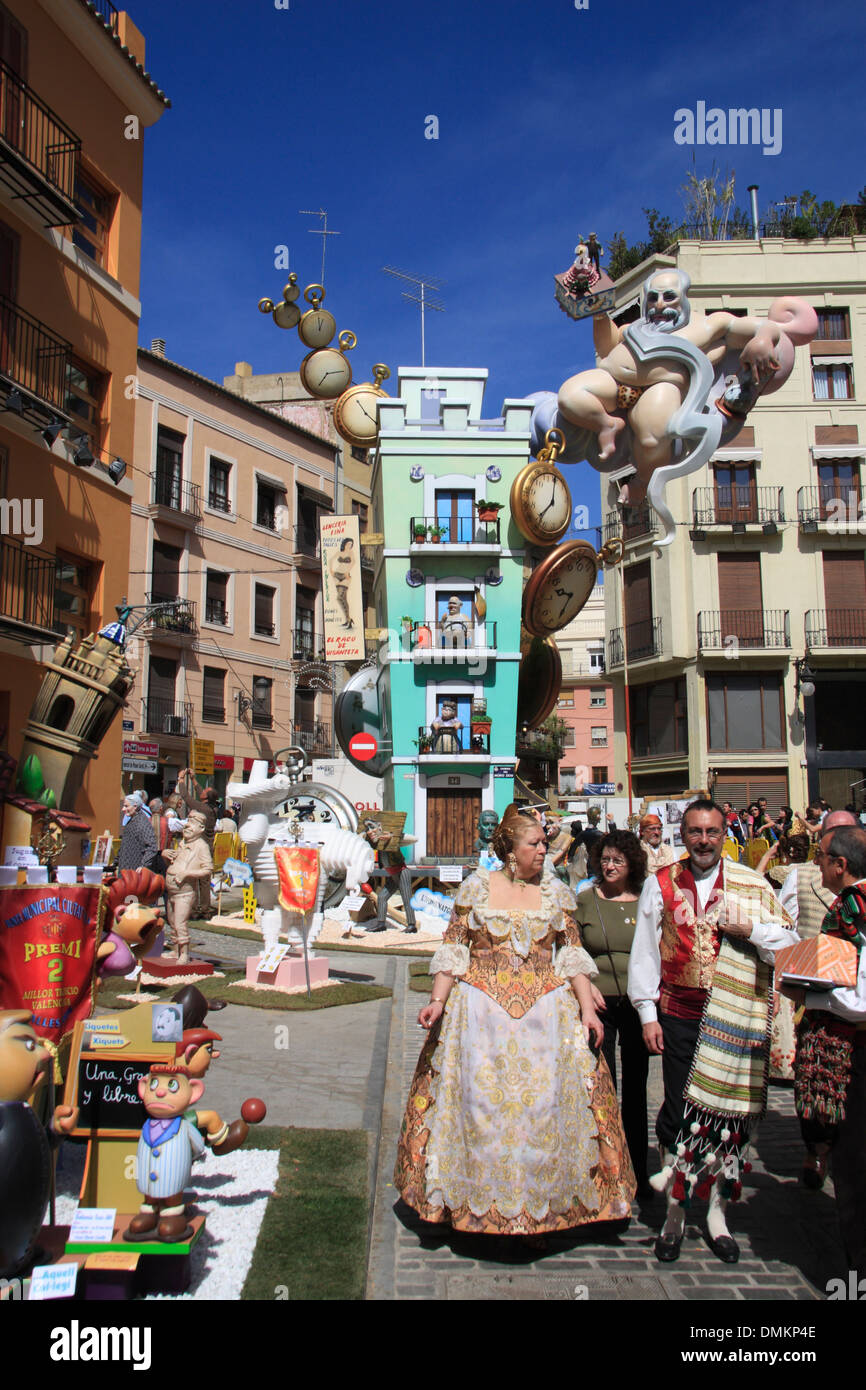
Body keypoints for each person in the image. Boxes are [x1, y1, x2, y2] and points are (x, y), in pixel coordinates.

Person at [395, 807, 636, 1237]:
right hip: (479, 1020)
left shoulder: (556, 893)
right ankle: (469, 1208)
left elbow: (573, 956)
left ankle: (543, 1213)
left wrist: (585, 1008)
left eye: (545, 843)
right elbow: (453, 950)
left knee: (544, 1113)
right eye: (535, 844)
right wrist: (436, 1000)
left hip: (547, 1021)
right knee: (479, 1110)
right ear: (510, 849)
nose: (544, 850)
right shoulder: (476, 889)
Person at [628, 799, 798, 1264]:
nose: (703, 840)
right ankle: (675, 1215)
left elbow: (786, 941)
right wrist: (647, 1014)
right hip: (679, 1014)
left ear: (725, 835)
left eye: (712, 832)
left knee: (731, 1120)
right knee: (681, 1114)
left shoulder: (750, 883)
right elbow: (644, 953)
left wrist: (749, 929)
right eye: (695, 832)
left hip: (734, 1017)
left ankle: (718, 1214)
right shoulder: (658, 883)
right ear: (681, 835)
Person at [781, 826, 866, 1279]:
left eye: (823, 856)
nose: (817, 863)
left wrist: (809, 993)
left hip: (853, 1049)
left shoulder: (852, 907)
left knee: (854, 1166)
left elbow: (856, 994)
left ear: (841, 865)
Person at [773, 810, 857, 1185]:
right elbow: (787, 923)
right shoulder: (802, 874)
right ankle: (815, 1149)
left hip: (844, 1001)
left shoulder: (858, 896)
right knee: (811, 1076)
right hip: (814, 987)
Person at [574, 830, 651, 1196]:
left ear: (631, 863)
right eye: (604, 859)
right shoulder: (586, 899)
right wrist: (587, 985)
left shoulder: (646, 900)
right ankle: (605, 1169)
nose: (609, 865)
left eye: (617, 860)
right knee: (603, 1086)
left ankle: (638, 1167)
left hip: (635, 1005)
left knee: (636, 1089)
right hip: (598, 1004)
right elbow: (570, 948)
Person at [162, 811, 213, 965]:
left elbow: (208, 869)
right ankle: (176, 949)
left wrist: (186, 874)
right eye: (187, 823)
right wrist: (165, 855)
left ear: (201, 828)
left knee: (180, 922)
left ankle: (184, 953)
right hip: (172, 891)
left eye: (192, 824)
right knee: (172, 922)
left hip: (185, 892)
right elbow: (173, 863)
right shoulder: (183, 843)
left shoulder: (201, 846)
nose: (187, 826)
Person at [363, 819, 417, 934]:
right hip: (392, 875)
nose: (370, 831)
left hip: (402, 873)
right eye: (368, 829)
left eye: (372, 827)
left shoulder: (392, 841)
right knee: (382, 897)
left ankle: (412, 925)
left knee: (406, 898)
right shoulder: (377, 842)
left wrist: (392, 836)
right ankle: (381, 924)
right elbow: (361, 836)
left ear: (380, 827)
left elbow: (413, 839)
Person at [178, 770, 217, 919]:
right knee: (205, 881)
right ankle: (205, 909)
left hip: (200, 848)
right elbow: (201, 792)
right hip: (209, 847)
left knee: (194, 879)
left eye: (205, 791)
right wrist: (193, 779)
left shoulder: (203, 809)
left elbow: (186, 797)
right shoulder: (211, 807)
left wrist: (181, 779)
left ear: (206, 798)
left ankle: (195, 909)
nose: (202, 791)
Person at [117, 795, 159, 873]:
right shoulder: (132, 820)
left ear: (135, 806)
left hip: (134, 871)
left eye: (126, 806)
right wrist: (116, 861)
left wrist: (143, 865)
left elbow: (152, 847)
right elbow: (125, 844)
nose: (123, 809)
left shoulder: (142, 823)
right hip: (126, 869)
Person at [329, 537, 356, 629]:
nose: (350, 546)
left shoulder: (351, 553)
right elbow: (330, 560)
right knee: (343, 598)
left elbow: (353, 562)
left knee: (340, 597)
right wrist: (331, 571)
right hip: (337, 574)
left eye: (351, 545)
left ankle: (348, 620)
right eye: (348, 544)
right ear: (344, 544)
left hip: (345, 576)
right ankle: (348, 620)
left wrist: (347, 571)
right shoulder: (339, 553)